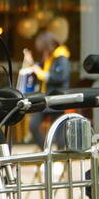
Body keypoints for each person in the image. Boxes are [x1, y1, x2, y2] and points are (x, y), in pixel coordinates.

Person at [29, 17, 72, 145]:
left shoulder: (61, 57)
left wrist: (42, 74)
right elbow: (42, 69)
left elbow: (61, 77)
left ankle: (61, 157)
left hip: (57, 99)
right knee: (34, 125)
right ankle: (46, 151)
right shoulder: (51, 58)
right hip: (46, 99)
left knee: (59, 133)